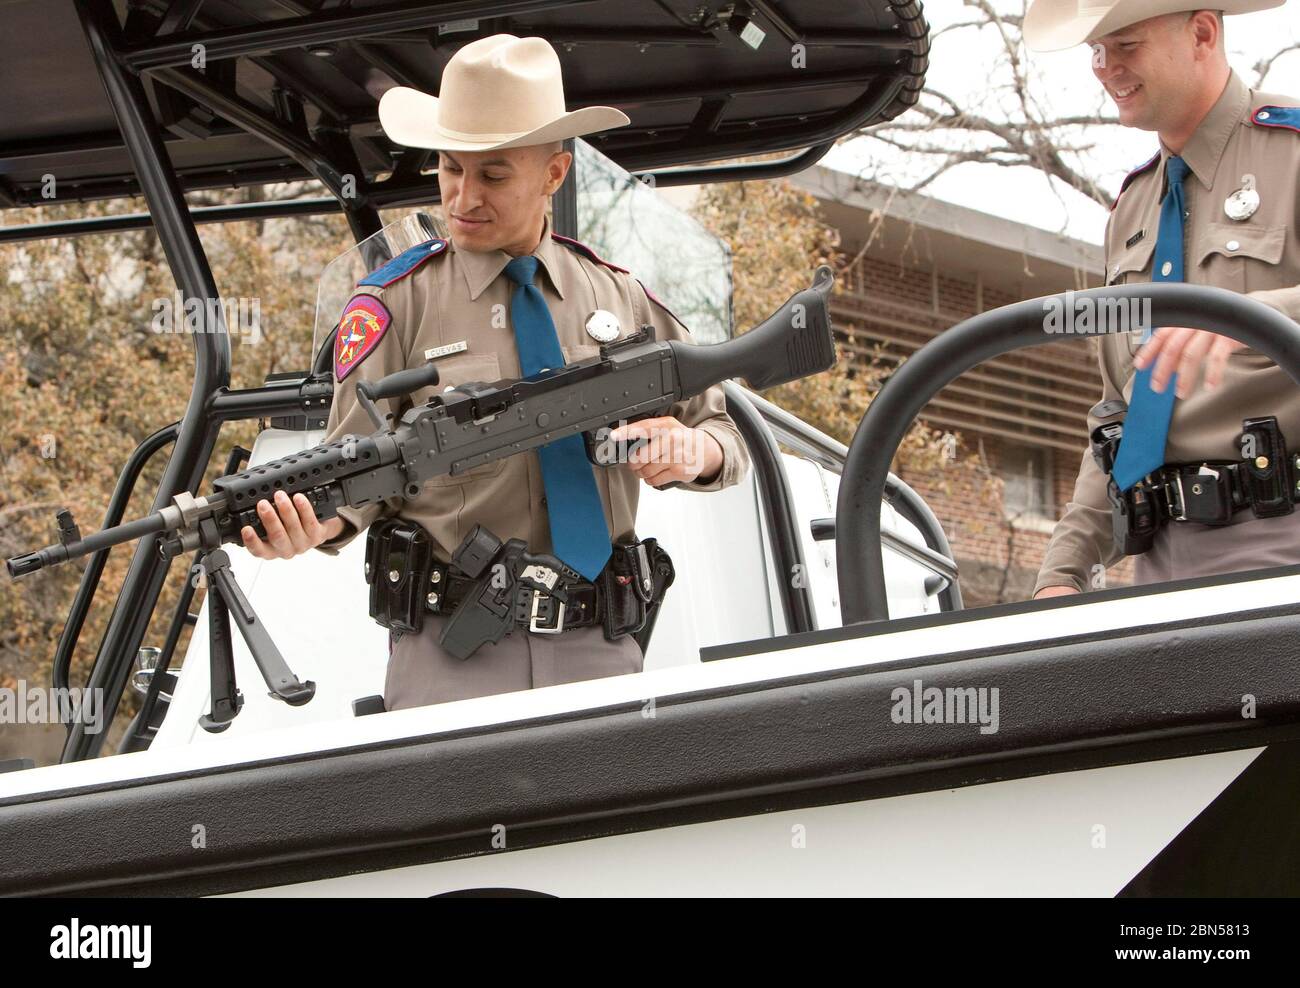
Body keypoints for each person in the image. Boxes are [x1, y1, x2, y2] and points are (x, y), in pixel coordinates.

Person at [237, 34, 749, 706]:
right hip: (452, 656)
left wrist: (697, 451)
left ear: (554, 175)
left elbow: (726, 429)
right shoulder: (396, 303)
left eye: (494, 175)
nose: (463, 197)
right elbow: (353, 470)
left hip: (602, 649)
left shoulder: (620, 298)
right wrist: (309, 525)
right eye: (450, 169)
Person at [1023, 1, 1300, 598]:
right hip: (1156, 565)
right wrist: (1063, 574)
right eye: (1095, 52)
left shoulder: (1293, 151)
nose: (1104, 67)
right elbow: (1120, 412)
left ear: (1201, 33)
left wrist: (1253, 320)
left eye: (1124, 45)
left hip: (1285, 542)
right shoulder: (1132, 209)